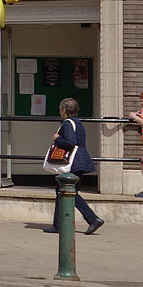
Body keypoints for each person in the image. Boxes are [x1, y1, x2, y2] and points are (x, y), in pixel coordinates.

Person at [44, 97, 104, 235]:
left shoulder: (67, 124)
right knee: (62, 191)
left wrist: (57, 139)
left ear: (64, 110)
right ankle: (58, 224)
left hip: (72, 163)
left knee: (68, 192)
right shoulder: (78, 123)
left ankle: (93, 219)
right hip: (80, 161)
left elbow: (71, 142)